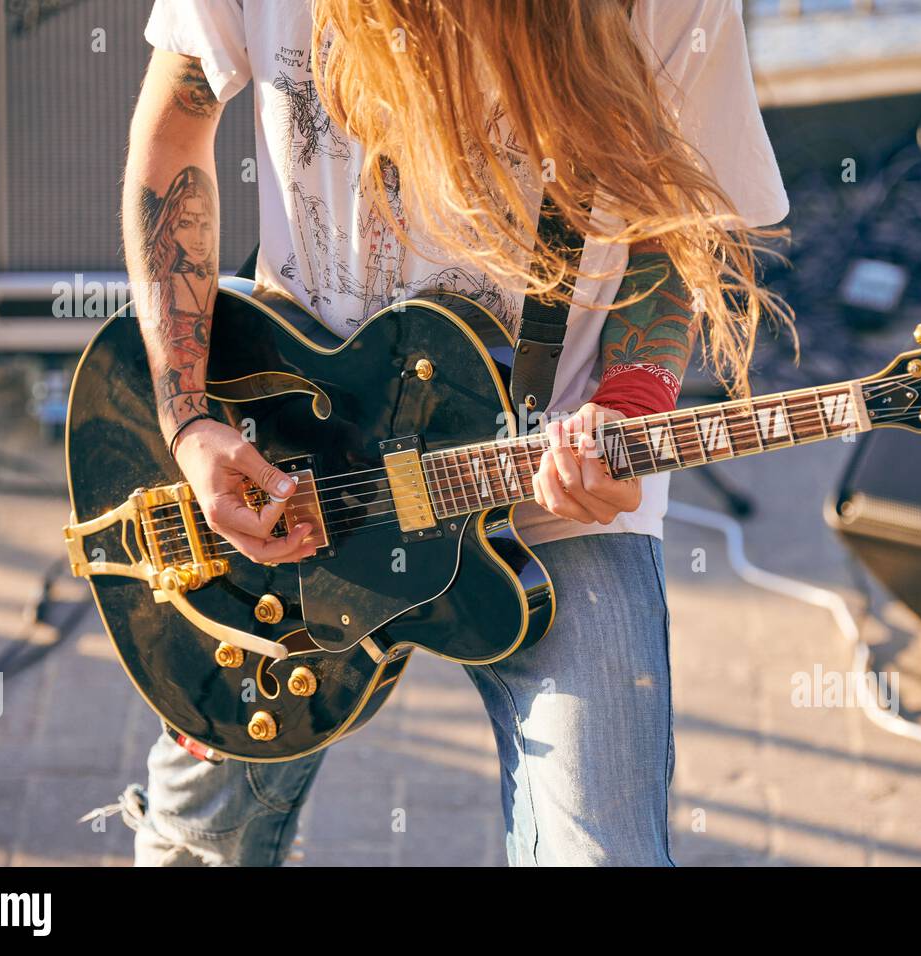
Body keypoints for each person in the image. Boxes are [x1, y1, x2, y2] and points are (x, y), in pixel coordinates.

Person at [118, 0, 788, 866]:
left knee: (603, 855)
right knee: (199, 845)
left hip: (544, 472)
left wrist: (628, 403)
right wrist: (190, 418)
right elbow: (172, 136)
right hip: (296, 452)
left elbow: (674, 217)